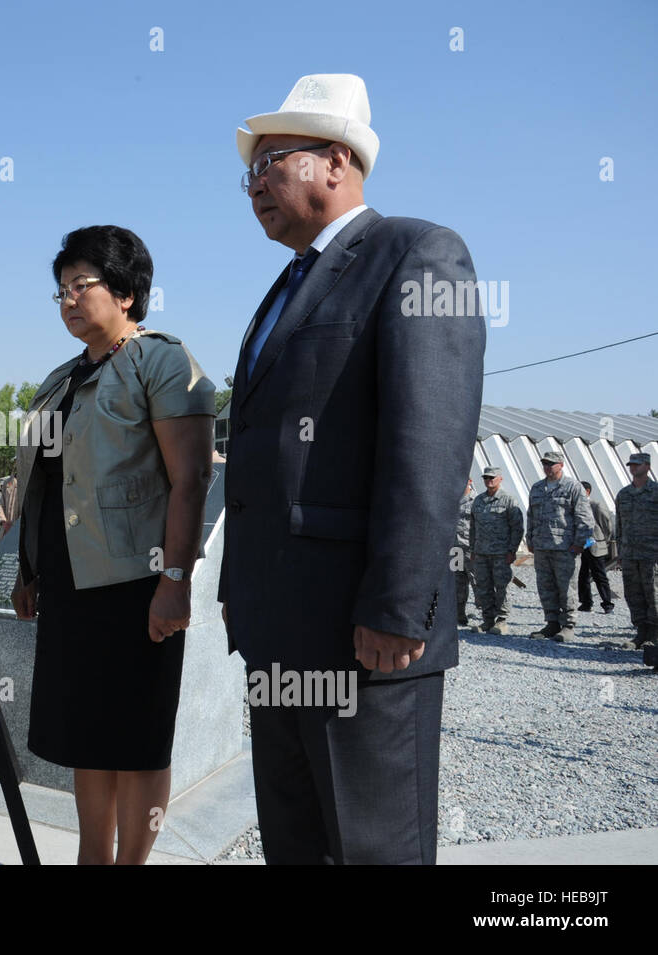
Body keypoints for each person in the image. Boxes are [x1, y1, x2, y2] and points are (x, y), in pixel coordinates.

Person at [219, 74, 486, 864]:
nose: (255, 184)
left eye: (272, 163)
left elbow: (428, 440)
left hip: (361, 637)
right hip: (277, 631)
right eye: (248, 173)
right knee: (297, 846)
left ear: (335, 161)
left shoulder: (417, 253)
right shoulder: (284, 287)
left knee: (374, 850)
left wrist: (400, 604)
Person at [11, 225, 215, 865]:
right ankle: (92, 859)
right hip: (71, 585)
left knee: (137, 738)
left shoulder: (163, 361)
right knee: (85, 735)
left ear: (127, 292)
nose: (69, 299)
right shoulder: (60, 380)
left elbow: (192, 478)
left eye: (83, 285)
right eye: (61, 290)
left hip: (138, 584)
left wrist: (174, 582)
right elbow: (44, 484)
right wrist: (28, 569)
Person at [526, 451, 593, 642]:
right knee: (546, 587)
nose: (548, 467)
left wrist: (579, 544)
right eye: (545, 464)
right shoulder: (537, 488)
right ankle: (552, 623)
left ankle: (568, 625)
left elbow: (585, 519)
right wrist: (530, 539)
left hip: (565, 548)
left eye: (551, 464)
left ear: (561, 465)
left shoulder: (573, 487)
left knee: (567, 588)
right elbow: (531, 515)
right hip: (541, 547)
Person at [470, 466, 523, 634]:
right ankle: (487, 619)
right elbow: (473, 528)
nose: (489, 480)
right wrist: (472, 549)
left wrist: (512, 550)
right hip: (481, 552)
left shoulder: (508, 500)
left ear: (500, 479)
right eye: (486, 477)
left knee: (502, 586)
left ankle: (501, 620)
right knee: (483, 586)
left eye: (492, 477)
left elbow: (517, 528)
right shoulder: (478, 501)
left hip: (501, 553)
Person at [614, 452, 658, 649]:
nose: (634, 468)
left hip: (652, 554)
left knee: (654, 594)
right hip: (630, 554)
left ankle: (655, 635)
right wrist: (620, 553)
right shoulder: (624, 494)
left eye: (638, 465)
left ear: (647, 467)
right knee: (633, 594)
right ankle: (640, 632)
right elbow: (619, 525)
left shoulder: (655, 492)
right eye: (631, 464)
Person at [577, 481, 615, 614]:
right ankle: (586, 602)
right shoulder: (577, 505)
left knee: (599, 575)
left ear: (587, 491)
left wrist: (603, 539)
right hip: (584, 546)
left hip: (596, 545)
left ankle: (607, 603)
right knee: (583, 575)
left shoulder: (596, 506)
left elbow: (606, 524)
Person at [455, 478, 475, 627]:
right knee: (457, 582)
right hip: (455, 549)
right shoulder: (452, 500)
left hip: (470, 548)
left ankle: (489, 617)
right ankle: (459, 614)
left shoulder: (477, 501)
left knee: (478, 581)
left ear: (469, 481)